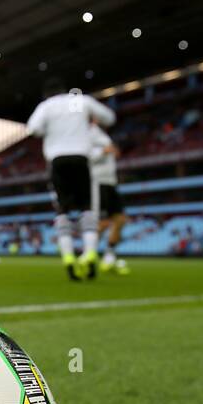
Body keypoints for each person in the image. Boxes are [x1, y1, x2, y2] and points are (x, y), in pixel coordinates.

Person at [26, 77, 116, 279]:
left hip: (57, 161)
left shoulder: (46, 106)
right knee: (87, 208)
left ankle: (68, 259)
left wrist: (51, 129)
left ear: (47, 94)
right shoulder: (80, 101)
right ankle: (91, 252)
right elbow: (109, 117)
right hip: (80, 159)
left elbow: (33, 129)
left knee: (63, 211)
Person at [88, 123, 129, 275]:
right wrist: (103, 151)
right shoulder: (84, 133)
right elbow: (85, 157)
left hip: (111, 183)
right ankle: (88, 254)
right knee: (103, 223)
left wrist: (112, 151)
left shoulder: (103, 135)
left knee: (120, 219)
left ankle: (109, 256)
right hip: (98, 183)